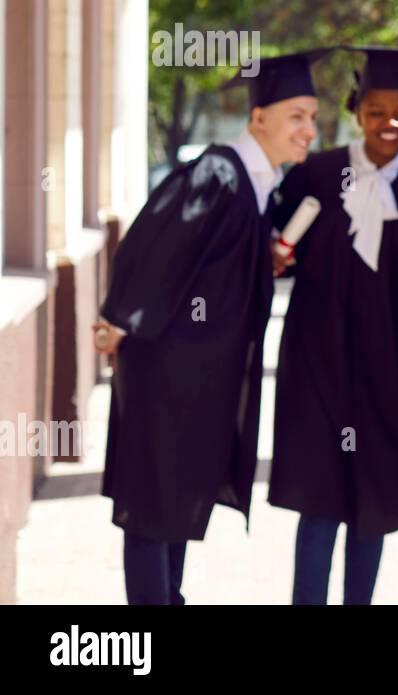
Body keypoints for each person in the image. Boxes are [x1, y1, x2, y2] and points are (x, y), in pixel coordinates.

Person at [93, 48, 327, 605]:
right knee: (153, 510)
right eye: (297, 115)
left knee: (174, 506)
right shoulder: (218, 173)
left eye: (313, 118)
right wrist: (118, 321)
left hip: (196, 380)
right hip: (166, 374)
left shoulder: (256, 185)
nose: (309, 131)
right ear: (258, 117)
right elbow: (151, 244)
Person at [268, 46, 398, 605]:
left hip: (387, 370)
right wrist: (274, 254)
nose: (390, 123)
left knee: (374, 505)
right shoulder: (317, 174)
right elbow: (274, 239)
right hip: (318, 365)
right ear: (357, 112)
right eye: (377, 111)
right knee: (319, 506)